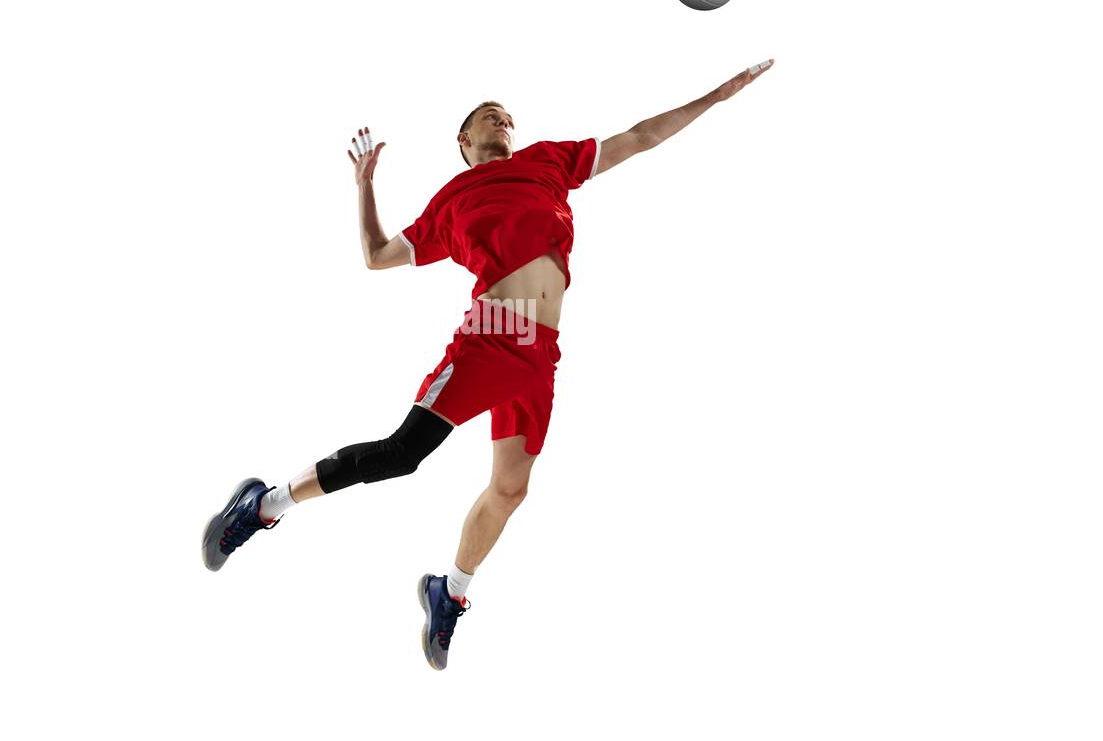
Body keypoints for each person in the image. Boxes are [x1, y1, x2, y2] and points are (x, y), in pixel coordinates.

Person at [201, 59, 776, 670]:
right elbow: (376, 256)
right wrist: (364, 183)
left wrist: (715, 96)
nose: (502, 118)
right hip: (492, 336)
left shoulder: (548, 163)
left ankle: (447, 591)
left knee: (511, 488)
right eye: (487, 115)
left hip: (540, 355)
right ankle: (265, 502)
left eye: (507, 115)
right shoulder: (452, 201)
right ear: (464, 141)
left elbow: (640, 136)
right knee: (404, 455)